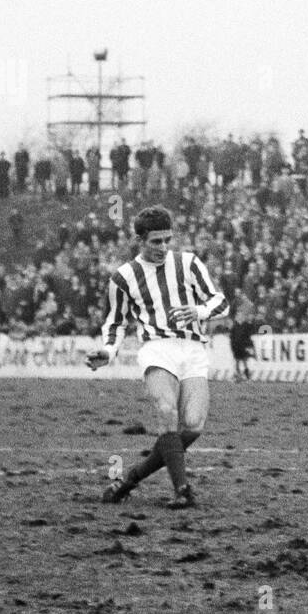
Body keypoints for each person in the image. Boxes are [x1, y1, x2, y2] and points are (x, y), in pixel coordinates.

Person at [88, 205, 229, 509]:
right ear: (140, 239)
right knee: (167, 412)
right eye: (155, 241)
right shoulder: (124, 277)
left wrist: (200, 311)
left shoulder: (189, 264)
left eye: (167, 240)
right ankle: (183, 491)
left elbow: (221, 301)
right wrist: (108, 351)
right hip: (157, 349)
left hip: (193, 350)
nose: (163, 247)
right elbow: (115, 321)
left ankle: (129, 481)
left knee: (192, 426)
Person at [229, 312, 257, 381]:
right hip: (236, 347)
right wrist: (232, 347)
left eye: (241, 316)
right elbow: (232, 338)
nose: (240, 317)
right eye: (238, 316)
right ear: (236, 317)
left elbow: (248, 335)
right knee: (237, 362)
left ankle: (247, 377)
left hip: (243, 347)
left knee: (245, 362)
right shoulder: (234, 327)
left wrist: (248, 346)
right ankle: (238, 376)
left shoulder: (246, 325)